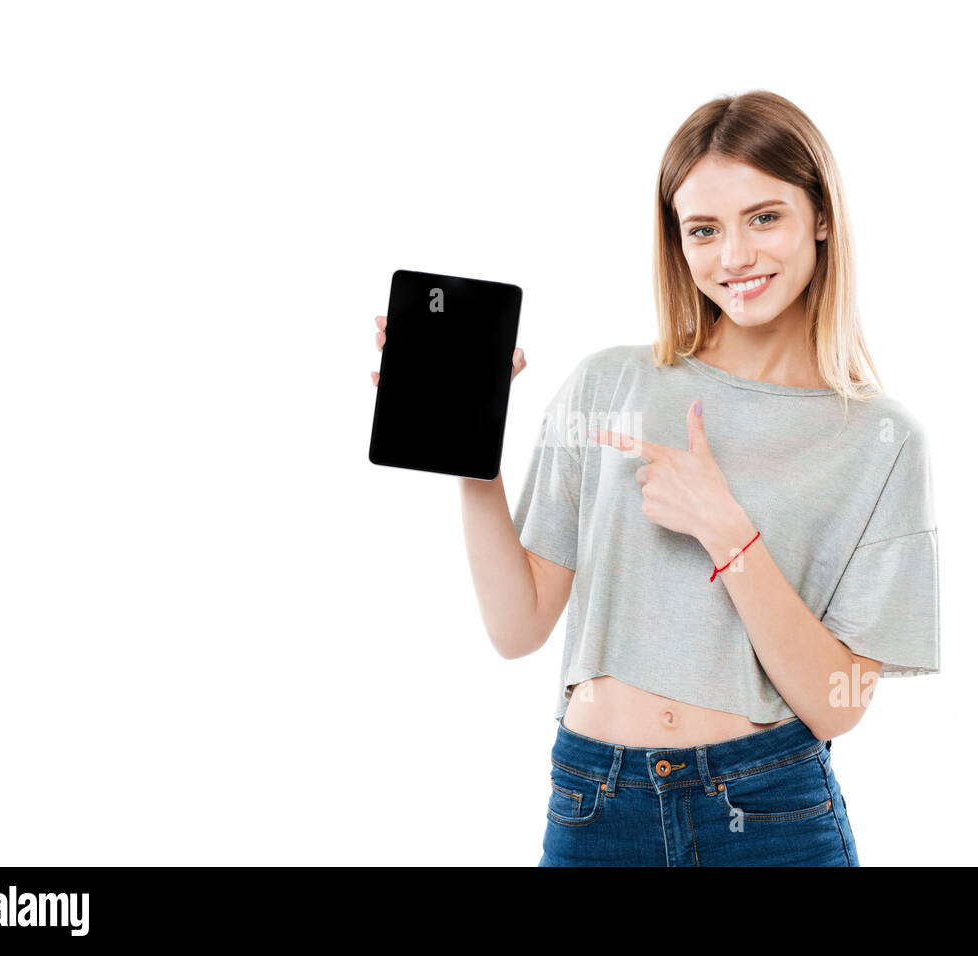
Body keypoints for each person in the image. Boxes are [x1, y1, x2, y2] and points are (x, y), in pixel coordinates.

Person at [373, 90, 939, 866]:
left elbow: (836, 705)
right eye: (703, 230)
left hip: (768, 813)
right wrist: (472, 447)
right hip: (595, 806)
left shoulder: (881, 441)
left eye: (764, 217)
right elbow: (517, 627)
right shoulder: (611, 385)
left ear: (821, 217)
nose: (733, 256)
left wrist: (727, 530)